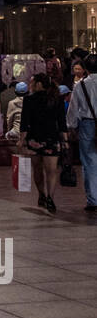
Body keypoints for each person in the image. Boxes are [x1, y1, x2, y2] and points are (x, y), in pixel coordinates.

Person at [19, 72, 68, 214]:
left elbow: (25, 123)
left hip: (34, 138)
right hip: (52, 138)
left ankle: (42, 194)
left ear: (38, 84)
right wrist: (64, 140)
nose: (30, 85)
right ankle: (50, 197)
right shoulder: (56, 98)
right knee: (51, 171)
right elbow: (61, 121)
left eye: (32, 82)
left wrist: (22, 140)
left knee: (38, 169)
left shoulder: (29, 100)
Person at [66, 53, 97, 213]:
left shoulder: (81, 85)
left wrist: (71, 126)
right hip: (88, 123)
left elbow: (73, 108)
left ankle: (93, 199)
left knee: (89, 162)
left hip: (88, 124)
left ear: (85, 69)